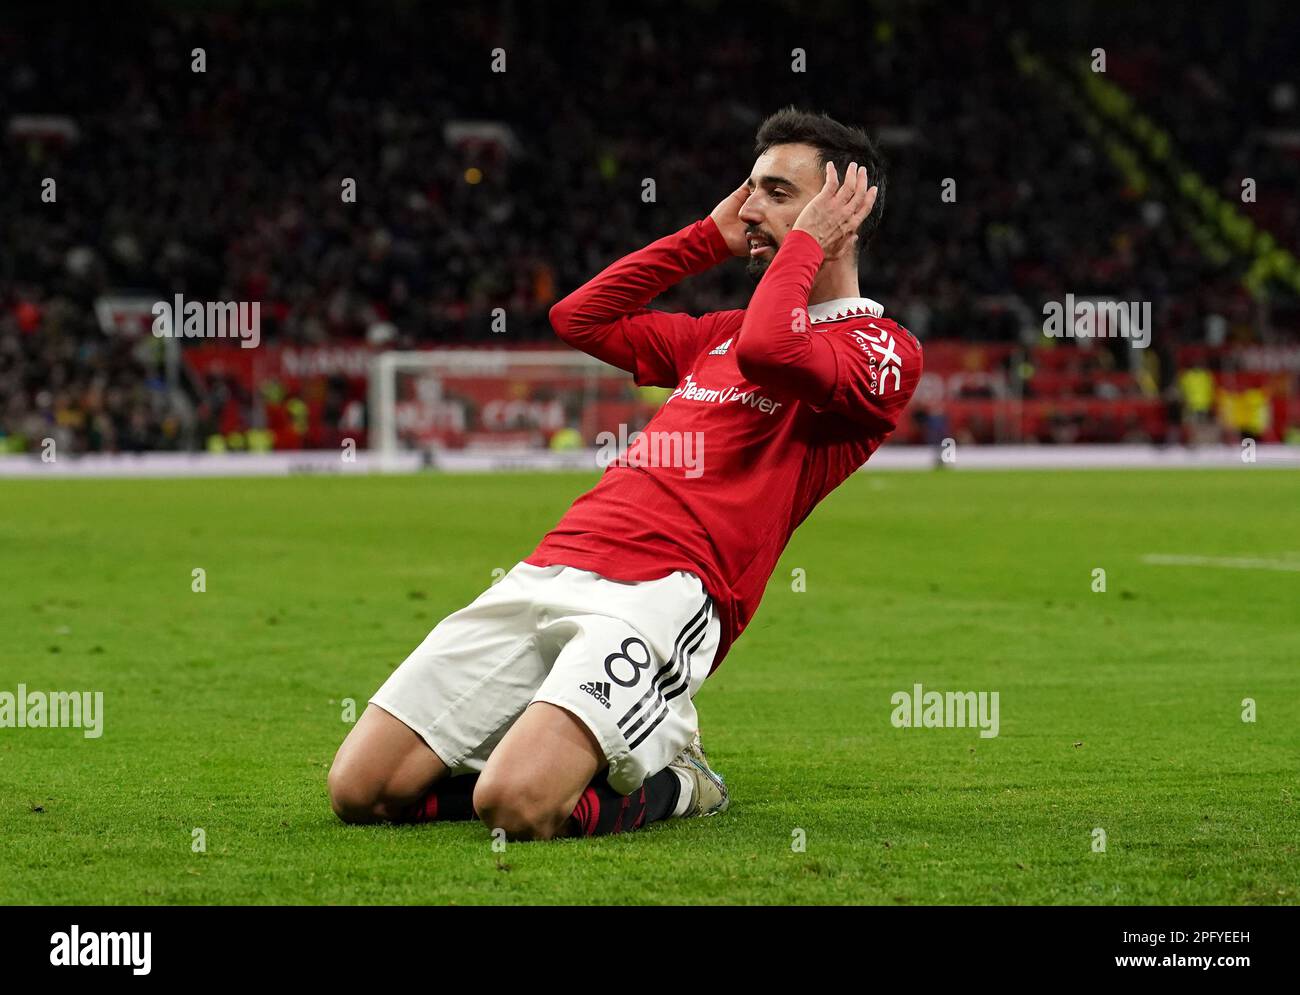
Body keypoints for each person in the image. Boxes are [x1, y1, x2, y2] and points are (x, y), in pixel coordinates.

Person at [328, 107, 923, 840]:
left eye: (776, 191)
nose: (750, 208)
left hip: (667, 590)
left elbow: (776, 350)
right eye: (749, 188)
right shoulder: (720, 334)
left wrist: (804, 248)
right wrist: (703, 238)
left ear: (841, 213)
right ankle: (553, 749)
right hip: (558, 561)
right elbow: (580, 317)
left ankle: (682, 780)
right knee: (361, 789)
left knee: (515, 806)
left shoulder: (881, 349)